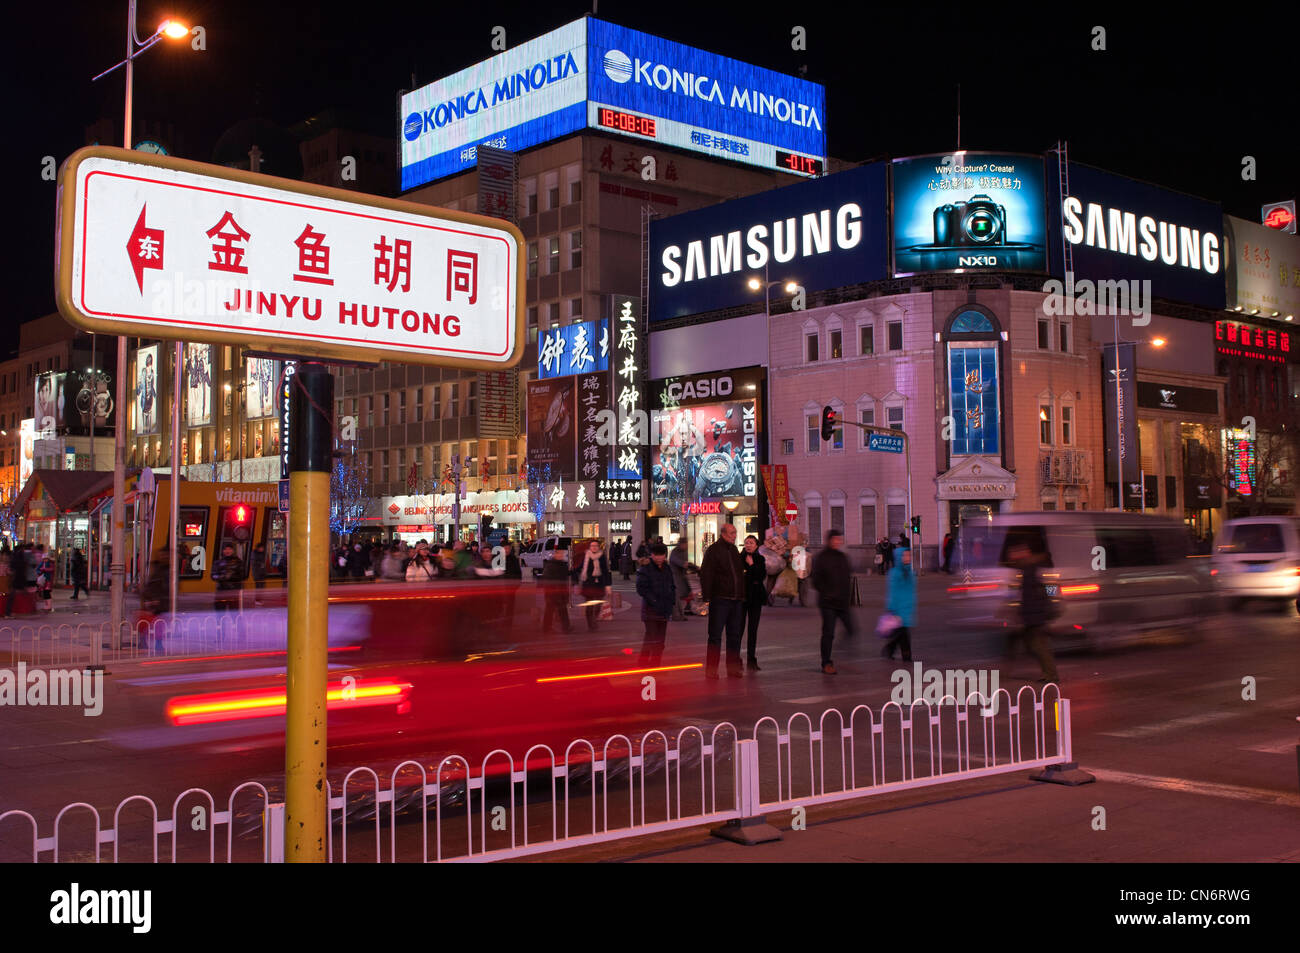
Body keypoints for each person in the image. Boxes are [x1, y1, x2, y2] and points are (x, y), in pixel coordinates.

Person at [699, 522, 746, 678]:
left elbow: (739, 574)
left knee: (734, 636)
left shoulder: (734, 550)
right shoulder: (713, 551)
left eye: (735, 533)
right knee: (715, 637)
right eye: (732, 533)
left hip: (736, 600)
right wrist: (707, 597)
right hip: (720, 599)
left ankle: (732, 668)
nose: (734, 536)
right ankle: (711, 670)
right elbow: (706, 574)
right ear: (723, 534)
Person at [1008, 541, 1059, 682]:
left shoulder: (1032, 570)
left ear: (1024, 554)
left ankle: (1051, 675)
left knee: (1038, 646)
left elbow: (1050, 587)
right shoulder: (1026, 570)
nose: (1012, 557)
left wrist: (1048, 604)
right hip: (1032, 613)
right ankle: (1049, 674)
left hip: (1036, 614)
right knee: (1034, 645)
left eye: (1014, 554)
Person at [811, 529, 854, 674]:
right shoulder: (821, 557)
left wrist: (847, 597)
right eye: (835, 539)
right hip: (827, 602)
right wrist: (827, 593)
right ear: (829, 540)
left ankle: (842, 652)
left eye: (839, 539)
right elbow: (815, 580)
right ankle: (826, 662)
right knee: (828, 633)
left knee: (851, 629)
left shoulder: (842, 557)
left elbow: (847, 577)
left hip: (842, 602)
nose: (837, 542)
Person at [636, 542, 675, 666]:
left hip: (664, 609)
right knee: (651, 637)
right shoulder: (645, 569)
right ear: (651, 555)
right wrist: (654, 601)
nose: (659, 557)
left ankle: (655, 662)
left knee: (660, 639)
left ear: (665, 555)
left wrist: (671, 600)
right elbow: (641, 588)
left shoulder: (667, 568)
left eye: (661, 555)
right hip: (650, 609)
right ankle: (645, 661)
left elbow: (672, 586)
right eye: (656, 555)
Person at [882, 545, 917, 663]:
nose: (907, 558)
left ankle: (889, 649)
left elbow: (911, 591)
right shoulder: (894, 573)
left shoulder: (911, 573)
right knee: (903, 633)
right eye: (904, 555)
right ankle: (906, 657)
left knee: (900, 633)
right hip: (897, 609)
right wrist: (892, 609)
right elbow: (892, 592)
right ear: (898, 557)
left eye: (909, 555)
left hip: (907, 608)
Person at [740, 534, 767, 672]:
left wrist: (751, 565)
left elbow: (761, 576)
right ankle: (736, 660)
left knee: (752, 630)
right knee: (738, 630)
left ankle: (752, 660)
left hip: (755, 598)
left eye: (751, 542)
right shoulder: (739, 558)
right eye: (746, 542)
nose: (748, 545)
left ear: (756, 545)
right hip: (742, 598)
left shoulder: (760, 559)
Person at [576, 540, 611, 630]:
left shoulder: (602, 557)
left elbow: (606, 571)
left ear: (598, 547)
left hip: (599, 583)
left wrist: (608, 585)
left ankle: (594, 619)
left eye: (596, 546)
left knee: (598, 604)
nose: (594, 547)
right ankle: (590, 624)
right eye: (592, 546)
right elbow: (580, 567)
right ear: (589, 547)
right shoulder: (586, 556)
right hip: (588, 583)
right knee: (589, 605)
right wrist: (573, 573)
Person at [540, 547, 573, 635]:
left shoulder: (562, 564)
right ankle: (547, 629)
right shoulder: (551, 565)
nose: (561, 555)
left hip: (560, 591)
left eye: (562, 554)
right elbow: (547, 580)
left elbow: (565, 577)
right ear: (555, 554)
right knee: (550, 611)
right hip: (553, 592)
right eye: (560, 553)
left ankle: (565, 627)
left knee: (561, 610)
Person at [212, 543, 244, 613]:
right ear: (223, 551)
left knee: (234, 612)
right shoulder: (218, 562)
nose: (227, 551)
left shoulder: (238, 562)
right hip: (221, 590)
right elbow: (213, 575)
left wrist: (231, 576)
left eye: (229, 549)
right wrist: (222, 577)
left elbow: (242, 576)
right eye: (225, 549)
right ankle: (220, 624)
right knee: (220, 611)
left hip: (233, 590)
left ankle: (237, 623)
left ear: (233, 550)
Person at [668, 538, 692, 620]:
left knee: (683, 595)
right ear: (681, 544)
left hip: (682, 577)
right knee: (676, 597)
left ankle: (681, 614)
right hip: (675, 577)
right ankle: (676, 615)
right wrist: (686, 564)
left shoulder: (684, 551)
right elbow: (679, 562)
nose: (686, 546)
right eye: (685, 544)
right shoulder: (675, 552)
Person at [36, 545, 55, 612]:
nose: (45, 560)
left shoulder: (50, 564)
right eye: (44, 559)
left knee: (47, 592)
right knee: (44, 592)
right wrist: (40, 570)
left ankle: (48, 605)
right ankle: (46, 605)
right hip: (43, 580)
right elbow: (38, 570)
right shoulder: (42, 563)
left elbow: (51, 570)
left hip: (48, 580)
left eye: (46, 559)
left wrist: (45, 569)